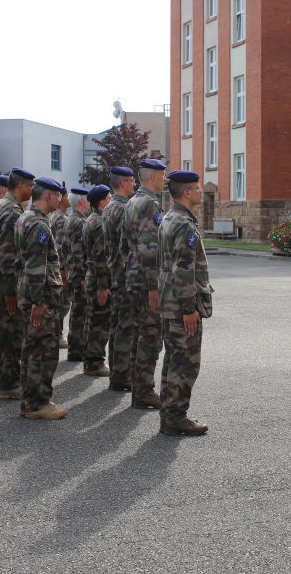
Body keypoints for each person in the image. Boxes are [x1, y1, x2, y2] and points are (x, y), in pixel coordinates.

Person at [158, 170, 212, 436]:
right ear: (187, 193)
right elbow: (184, 269)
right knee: (186, 363)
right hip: (181, 306)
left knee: (173, 360)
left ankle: (169, 416)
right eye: (197, 188)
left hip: (169, 302)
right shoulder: (184, 224)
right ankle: (176, 418)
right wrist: (189, 308)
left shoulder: (169, 218)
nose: (201, 191)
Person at [15, 177, 68, 420]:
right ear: (47, 196)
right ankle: (38, 402)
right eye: (57, 195)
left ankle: (31, 399)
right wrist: (38, 301)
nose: (60, 199)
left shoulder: (25, 218)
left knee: (31, 348)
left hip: (30, 293)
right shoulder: (38, 225)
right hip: (41, 297)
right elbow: (36, 265)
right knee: (43, 352)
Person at [0, 167, 35, 399]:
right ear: (20, 185)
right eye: (30, 185)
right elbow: (8, 255)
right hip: (4, 281)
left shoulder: (0, 206)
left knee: (1, 331)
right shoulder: (11, 212)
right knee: (10, 335)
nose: (32, 190)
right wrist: (10, 292)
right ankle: (7, 384)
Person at [123, 158, 167, 410]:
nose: (165, 179)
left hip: (133, 274)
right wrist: (154, 287)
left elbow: (126, 242)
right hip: (145, 279)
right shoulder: (149, 203)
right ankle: (144, 391)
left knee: (139, 335)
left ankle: (138, 387)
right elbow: (149, 248)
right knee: (150, 337)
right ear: (152, 176)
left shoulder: (132, 201)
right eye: (162, 175)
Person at [103, 166, 136, 391]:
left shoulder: (108, 207)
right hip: (124, 276)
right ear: (123, 183)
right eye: (131, 181)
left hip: (114, 273)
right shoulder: (124, 209)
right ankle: (122, 376)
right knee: (125, 328)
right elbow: (128, 246)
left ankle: (117, 372)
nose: (134, 184)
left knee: (116, 326)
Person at [81, 184, 113, 377]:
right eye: (109, 198)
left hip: (92, 276)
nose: (111, 201)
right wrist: (103, 286)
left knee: (94, 320)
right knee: (100, 323)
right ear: (102, 202)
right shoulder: (99, 223)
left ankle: (91, 360)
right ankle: (94, 362)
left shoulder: (90, 219)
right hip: (99, 279)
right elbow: (101, 257)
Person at [63, 187, 90, 361]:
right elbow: (79, 251)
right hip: (78, 272)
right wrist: (82, 276)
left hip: (71, 269)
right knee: (80, 312)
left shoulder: (71, 218)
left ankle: (75, 347)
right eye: (87, 199)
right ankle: (76, 349)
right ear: (82, 202)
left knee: (76, 310)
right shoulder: (79, 222)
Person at [48, 187, 71, 349]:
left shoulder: (54, 216)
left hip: (55, 266)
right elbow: (61, 247)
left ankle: (57, 332)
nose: (69, 198)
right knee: (62, 303)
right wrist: (63, 269)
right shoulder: (61, 219)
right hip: (59, 267)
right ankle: (58, 333)